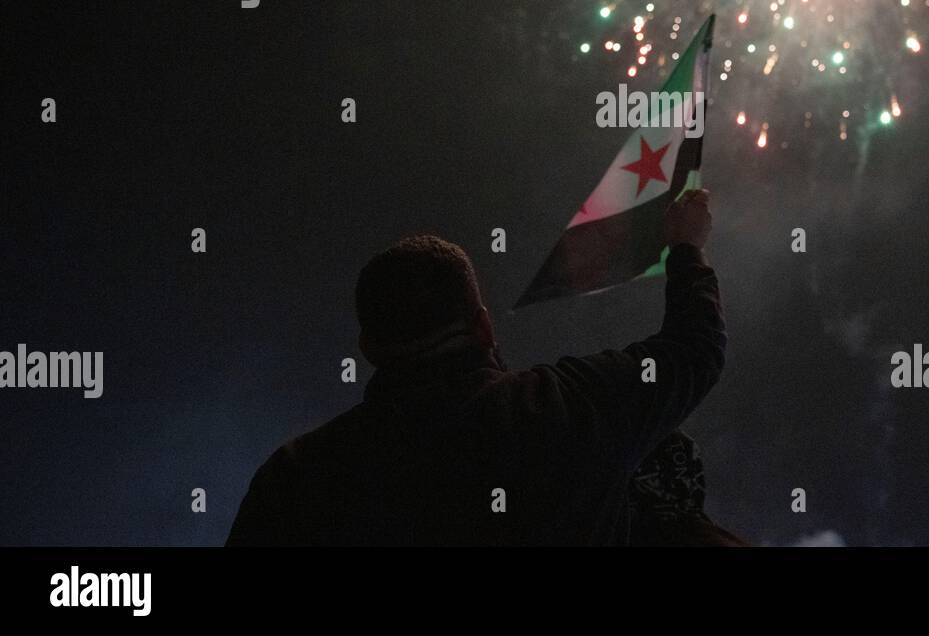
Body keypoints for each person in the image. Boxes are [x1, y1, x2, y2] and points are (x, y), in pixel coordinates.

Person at [227, 189, 726, 545]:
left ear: (369, 349)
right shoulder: (570, 410)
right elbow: (695, 349)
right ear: (483, 326)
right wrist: (687, 248)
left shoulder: (298, 479)